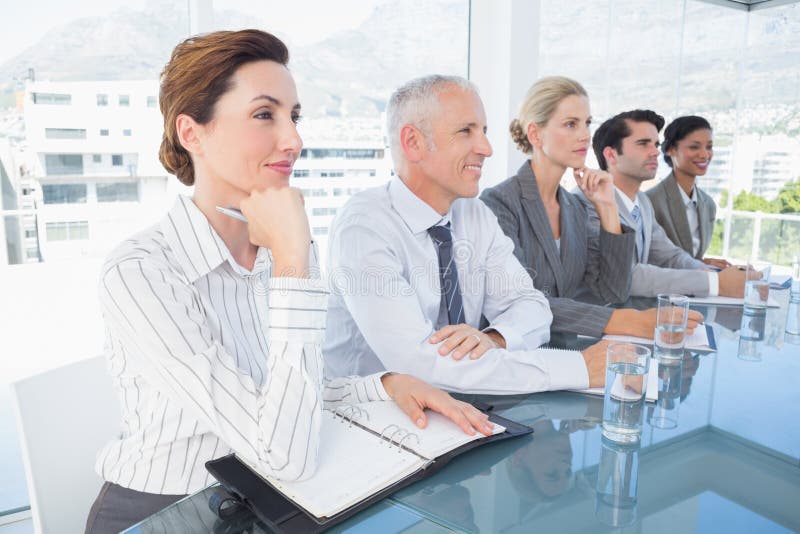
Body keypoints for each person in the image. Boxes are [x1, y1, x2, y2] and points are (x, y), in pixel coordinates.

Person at [86, 30, 491, 534]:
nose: (294, 139)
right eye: (264, 114)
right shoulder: (142, 271)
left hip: (257, 500)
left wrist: (385, 385)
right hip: (165, 512)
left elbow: (293, 393)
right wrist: (294, 263)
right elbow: (282, 454)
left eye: (294, 116)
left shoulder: (283, 246)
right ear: (192, 133)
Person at [324, 74, 610, 395]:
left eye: (484, 131)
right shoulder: (364, 227)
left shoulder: (474, 214)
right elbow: (420, 365)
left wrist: (493, 339)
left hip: (463, 409)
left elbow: (532, 306)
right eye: (466, 131)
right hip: (373, 420)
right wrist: (580, 368)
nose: (486, 148)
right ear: (413, 142)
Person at [480, 76, 701, 338]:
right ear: (535, 134)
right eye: (571, 124)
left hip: (565, 346)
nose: (585, 136)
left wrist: (607, 208)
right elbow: (522, 302)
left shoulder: (575, 207)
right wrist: (628, 321)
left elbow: (614, 291)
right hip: (515, 353)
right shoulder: (500, 203)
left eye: (587, 123)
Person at [581, 110, 748, 298]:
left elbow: (670, 256)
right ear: (611, 155)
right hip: (601, 316)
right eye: (643, 144)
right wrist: (716, 283)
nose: (655, 152)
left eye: (656, 144)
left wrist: (714, 273)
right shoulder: (587, 202)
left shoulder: (642, 202)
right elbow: (625, 276)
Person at [646, 115, 729, 268]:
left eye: (709, 147)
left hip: (696, 286)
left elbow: (692, 256)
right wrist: (698, 264)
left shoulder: (708, 204)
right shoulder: (650, 202)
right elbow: (648, 261)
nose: (704, 154)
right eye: (694, 147)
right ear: (671, 150)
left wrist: (702, 264)